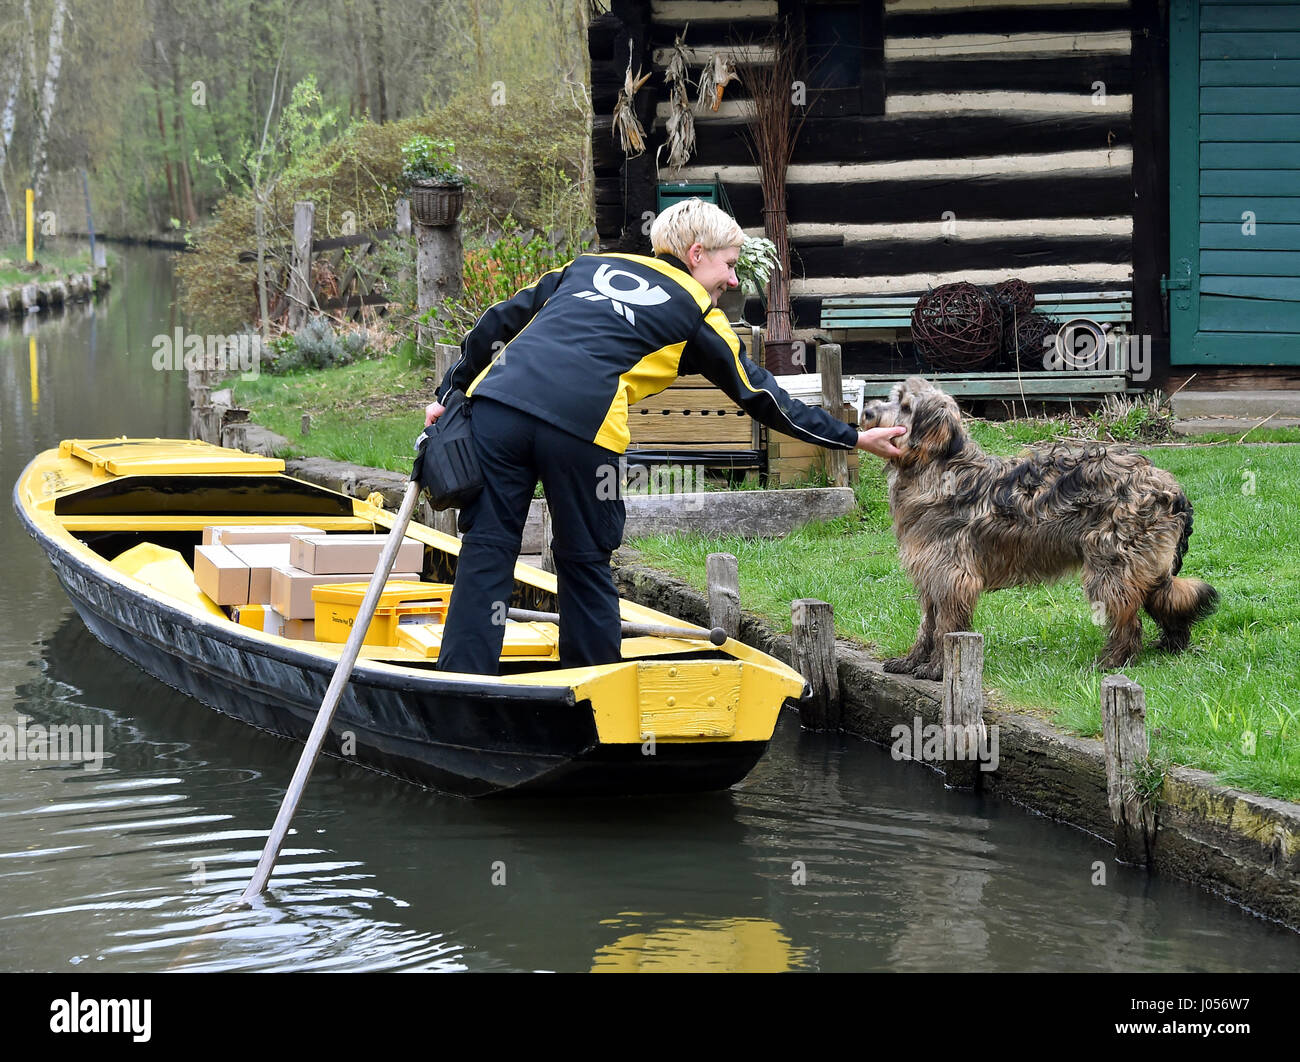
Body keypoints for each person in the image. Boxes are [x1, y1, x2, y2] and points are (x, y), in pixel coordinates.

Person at [423, 198, 906, 676]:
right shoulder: (697, 313)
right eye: (730, 264)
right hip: (582, 429)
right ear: (697, 254)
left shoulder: (589, 264)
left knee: (486, 552)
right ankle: (593, 696)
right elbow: (763, 396)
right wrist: (853, 438)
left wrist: (450, 392)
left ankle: (460, 689)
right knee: (584, 560)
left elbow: (497, 320)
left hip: (497, 410)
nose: (734, 280)